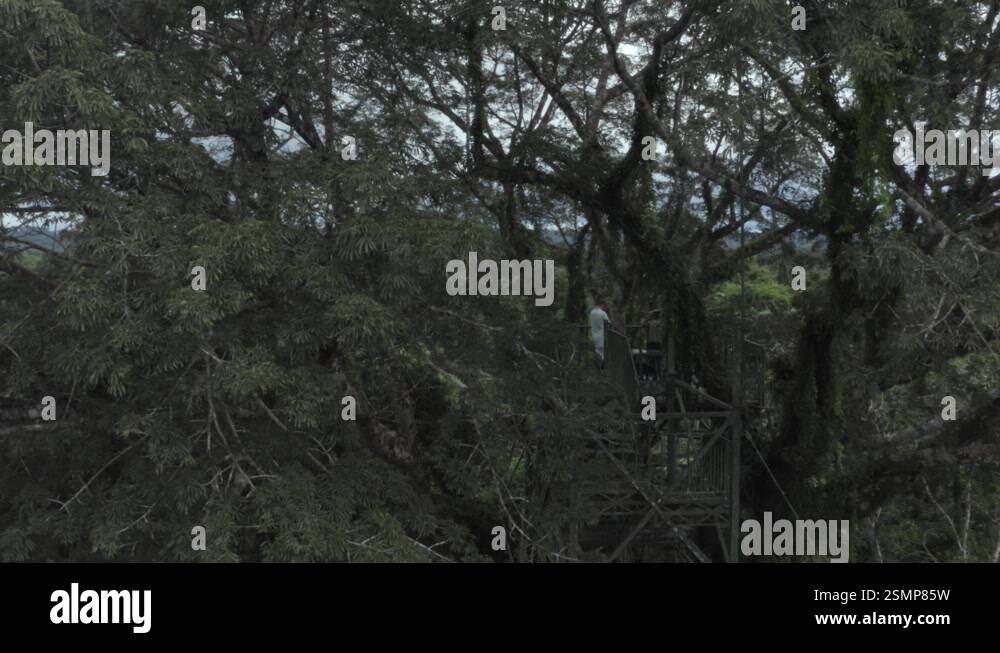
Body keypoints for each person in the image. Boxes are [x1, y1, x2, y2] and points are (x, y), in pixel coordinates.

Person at [589, 301, 611, 368]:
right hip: (602, 335)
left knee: (597, 351)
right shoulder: (603, 313)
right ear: (602, 305)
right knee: (602, 353)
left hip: (594, 334)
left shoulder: (592, 312)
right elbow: (608, 323)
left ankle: (598, 367)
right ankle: (602, 367)